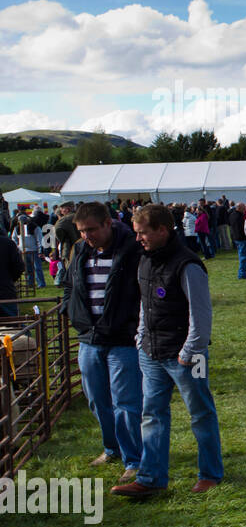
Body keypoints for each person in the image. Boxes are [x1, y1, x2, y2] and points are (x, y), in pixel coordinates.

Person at [111, 204, 221, 497]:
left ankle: (210, 474)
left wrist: (190, 351)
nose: (138, 239)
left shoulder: (188, 264)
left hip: (187, 356)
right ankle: (150, 478)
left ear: (162, 230)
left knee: (200, 413)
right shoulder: (145, 261)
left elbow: (201, 314)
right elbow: (146, 305)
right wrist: (140, 338)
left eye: (143, 233)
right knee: (152, 414)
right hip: (151, 353)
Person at [66, 202, 144, 482]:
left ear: (108, 223)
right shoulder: (79, 251)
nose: (86, 235)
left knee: (126, 402)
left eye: (91, 230)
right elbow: (69, 284)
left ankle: (134, 459)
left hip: (122, 338)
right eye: (82, 231)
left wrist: (134, 324)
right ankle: (111, 448)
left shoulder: (132, 249)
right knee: (97, 399)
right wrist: (71, 309)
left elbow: (143, 287)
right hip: (89, 337)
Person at [14, 214, 43, 288]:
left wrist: (40, 250)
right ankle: (30, 283)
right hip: (23, 252)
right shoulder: (17, 228)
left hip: (34, 251)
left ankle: (41, 284)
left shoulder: (34, 227)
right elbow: (14, 239)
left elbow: (39, 239)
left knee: (37, 268)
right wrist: (17, 248)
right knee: (27, 269)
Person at [0, 226, 22, 316]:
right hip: (5, 288)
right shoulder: (8, 243)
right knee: (13, 323)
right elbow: (18, 266)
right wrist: (10, 279)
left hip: (5, 287)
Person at [230, 203, 246, 279]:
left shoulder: (232, 215)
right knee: (244, 257)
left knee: (242, 256)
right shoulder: (239, 216)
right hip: (241, 238)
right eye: (243, 208)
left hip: (236, 238)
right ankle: (242, 274)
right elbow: (242, 229)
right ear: (239, 208)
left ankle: (241, 273)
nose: (245, 209)